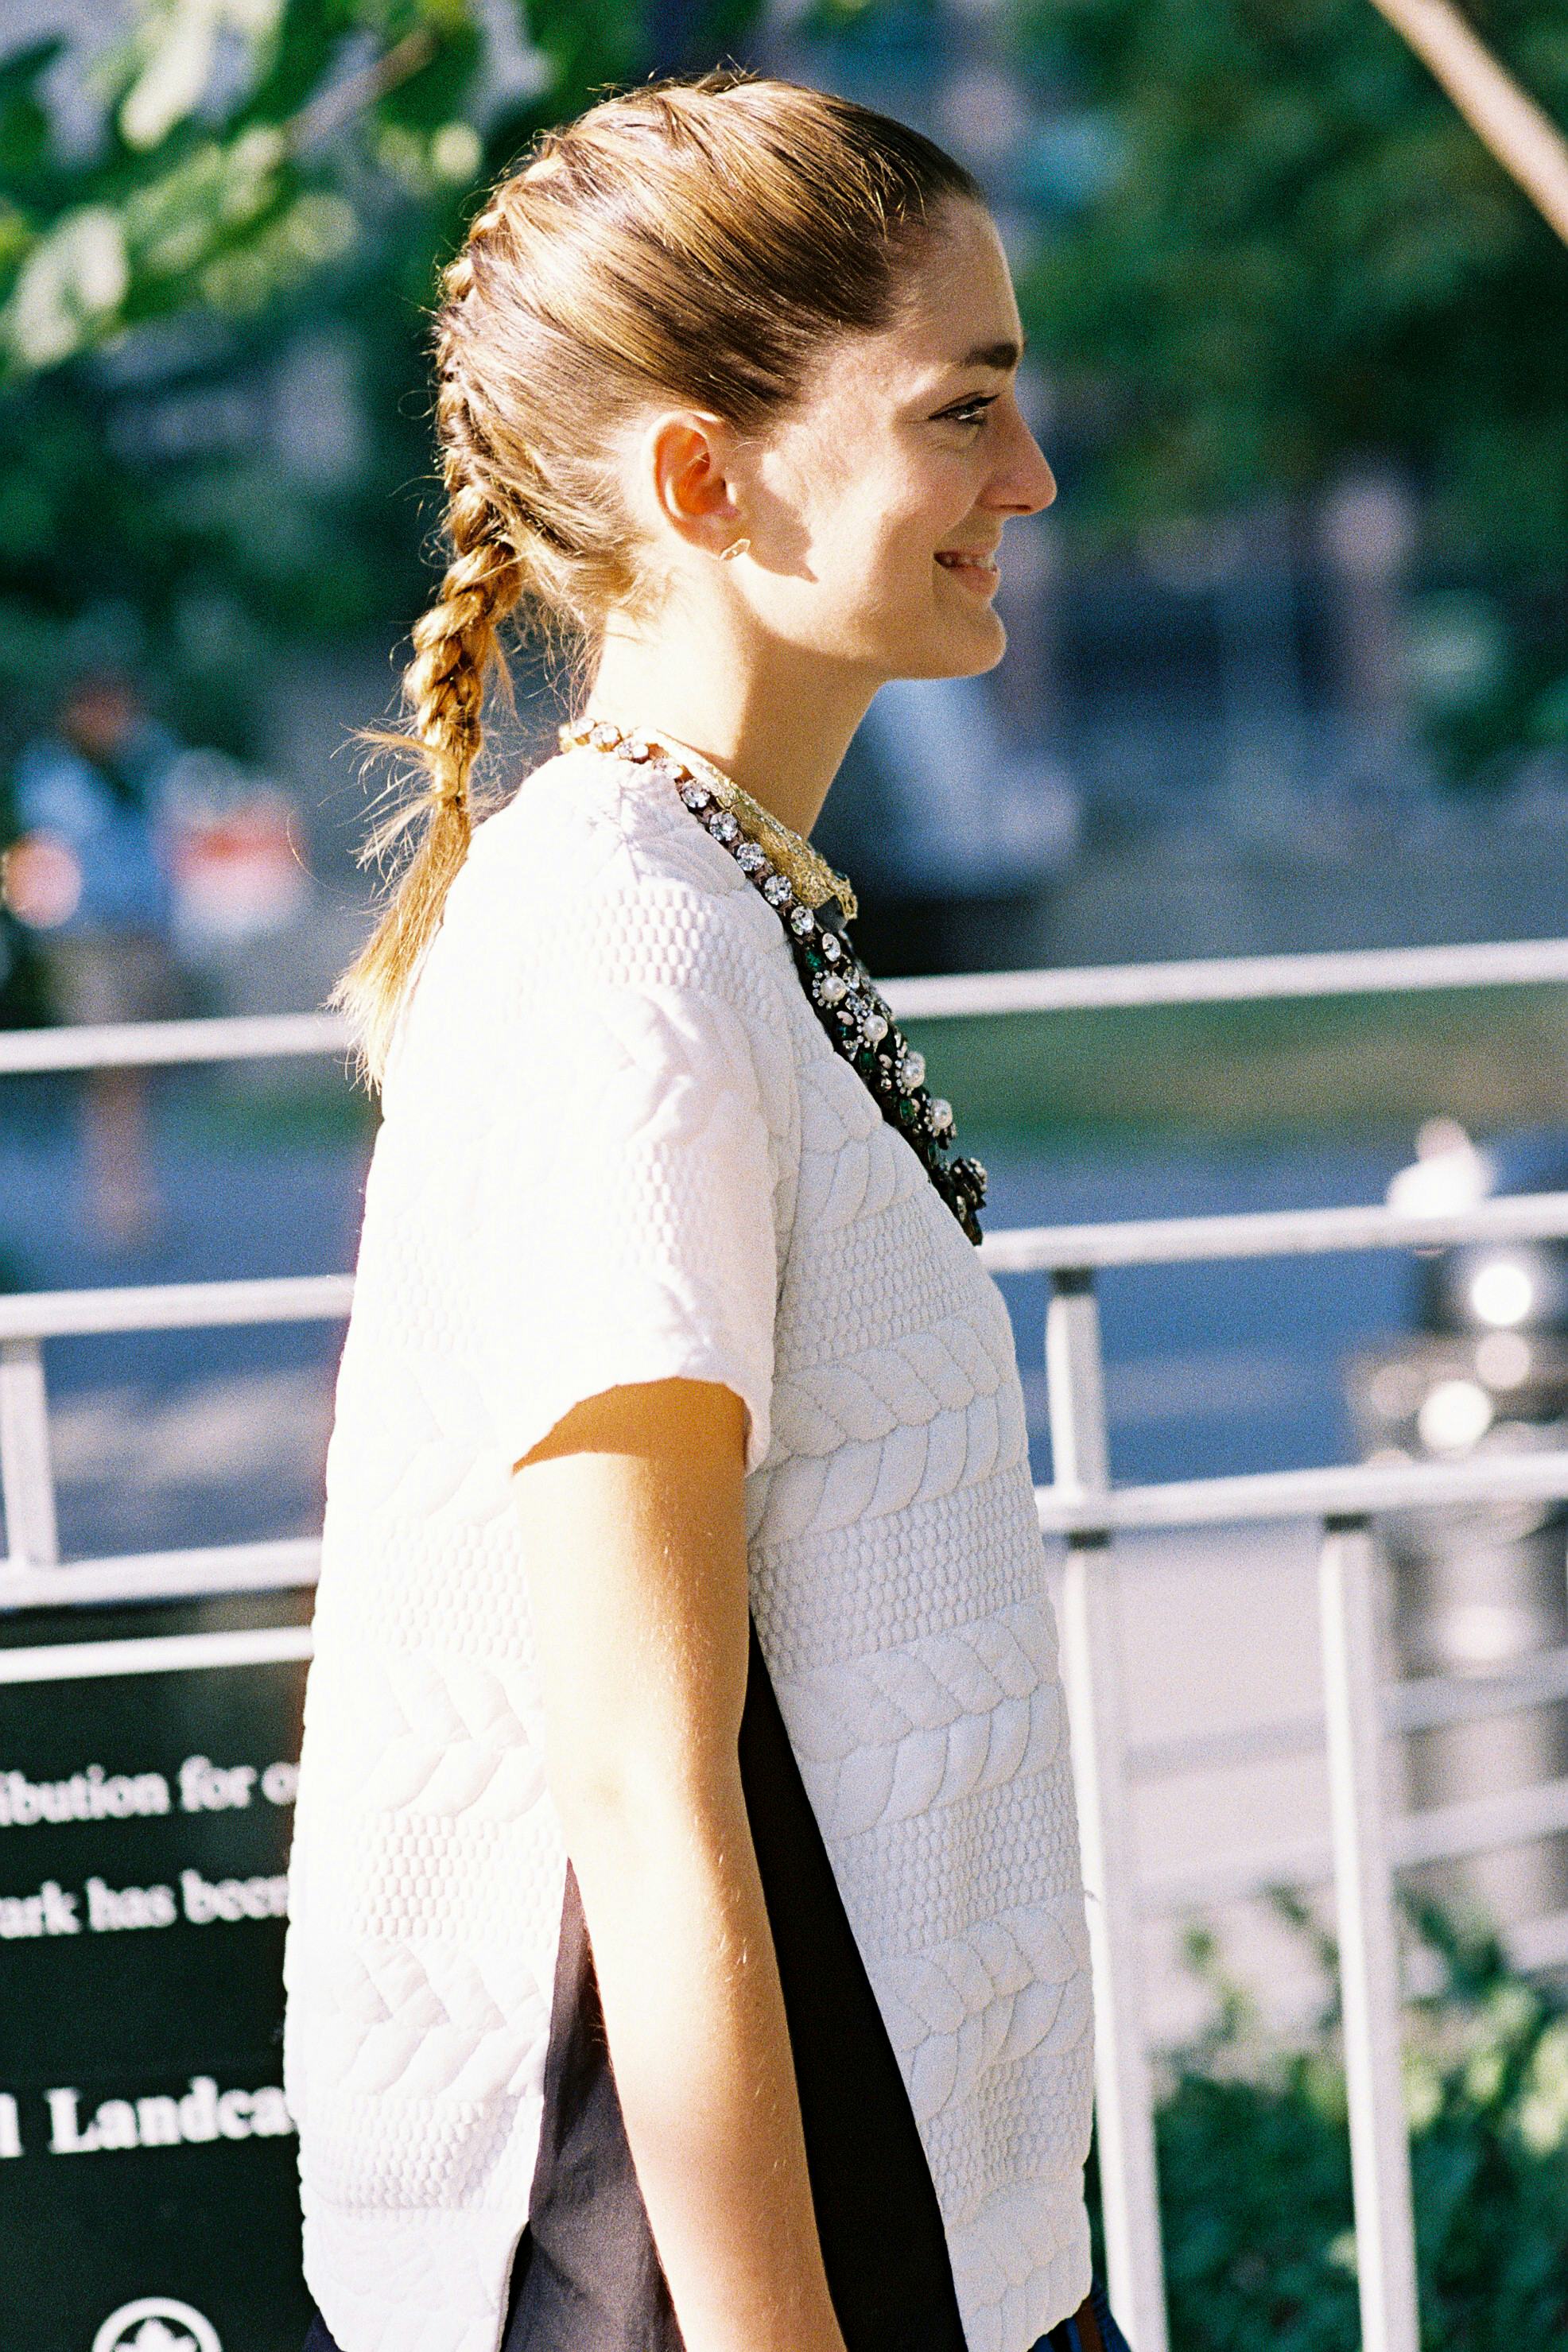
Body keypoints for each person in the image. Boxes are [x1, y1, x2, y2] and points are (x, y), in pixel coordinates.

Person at [284, 72, 1124, 2352]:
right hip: (715, 2260)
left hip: (881, 2199)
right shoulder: (621, 954)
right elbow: (633, 1778)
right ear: (701, 475)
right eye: (963, 409)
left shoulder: (708, 904)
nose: (1027, 483)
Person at [6, 670, 181, 1242]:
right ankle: (116, 1200)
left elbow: (162, 848)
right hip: (87, 941)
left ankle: (128, 1192)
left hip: (139, 934)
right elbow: (59, 853)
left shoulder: (142, 765)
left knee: (132, 1071)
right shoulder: (57, 774)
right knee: (110, 1068)